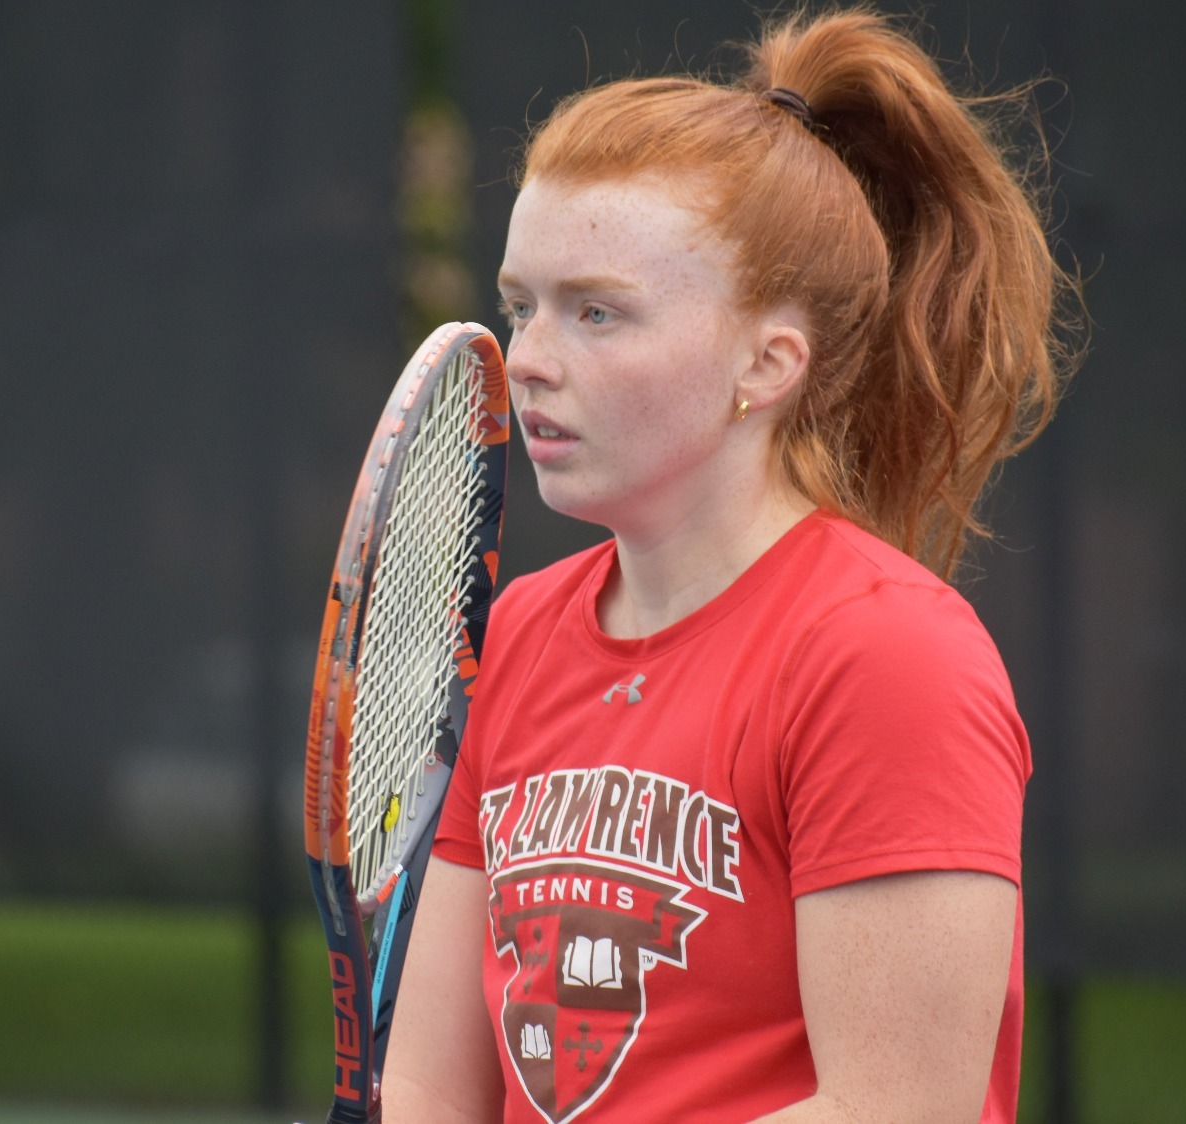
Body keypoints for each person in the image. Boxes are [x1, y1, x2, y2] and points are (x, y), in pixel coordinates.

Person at [385, 7, 1073, 1122]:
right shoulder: (516, 631)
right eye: (521, 305)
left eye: (597, 311)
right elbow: (427, 1084)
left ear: (767, 362)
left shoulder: (885, 652)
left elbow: (893, 1109)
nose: (532, 359)